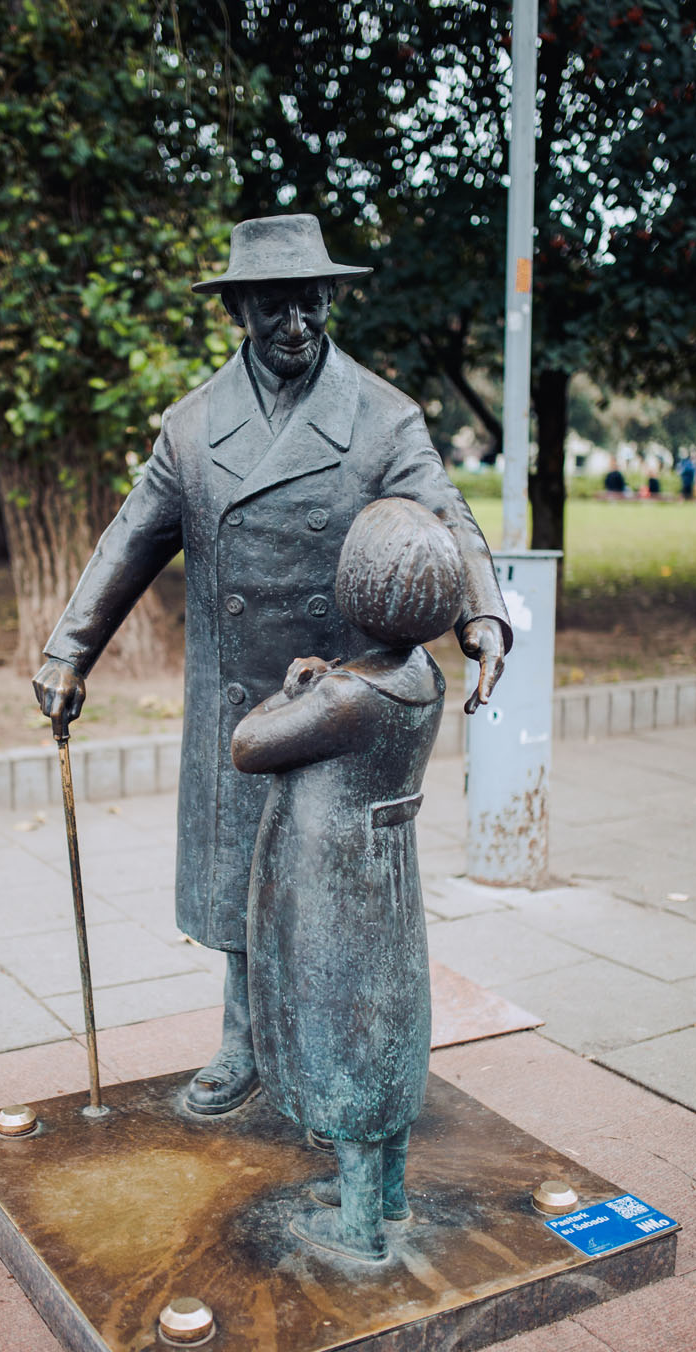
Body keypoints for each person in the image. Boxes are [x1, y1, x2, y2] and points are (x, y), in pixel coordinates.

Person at [32, 214, 511, 1116]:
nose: (297, 324)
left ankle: (338, 1059)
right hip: (237, 692)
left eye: (312, 302)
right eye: (275, 307)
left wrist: (480, 615)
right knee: (237, 882)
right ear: (238, 310)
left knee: (331, 894)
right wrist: (69, 650)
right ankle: (245, 1040)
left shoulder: (382, 417)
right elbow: (131, 540)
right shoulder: (192, 427)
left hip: (333, 694)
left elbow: (446, 517)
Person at [231, 498, 462, 1261]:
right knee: (386, 1022)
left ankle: (359, 1227)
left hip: (327, 886)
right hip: (388, 879)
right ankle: (388, 1192)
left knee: (341, 1028)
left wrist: (294, 690)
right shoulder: (424, 676)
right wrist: (324, 679)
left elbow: (248, 744)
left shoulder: (344, 699)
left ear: (356, 587)